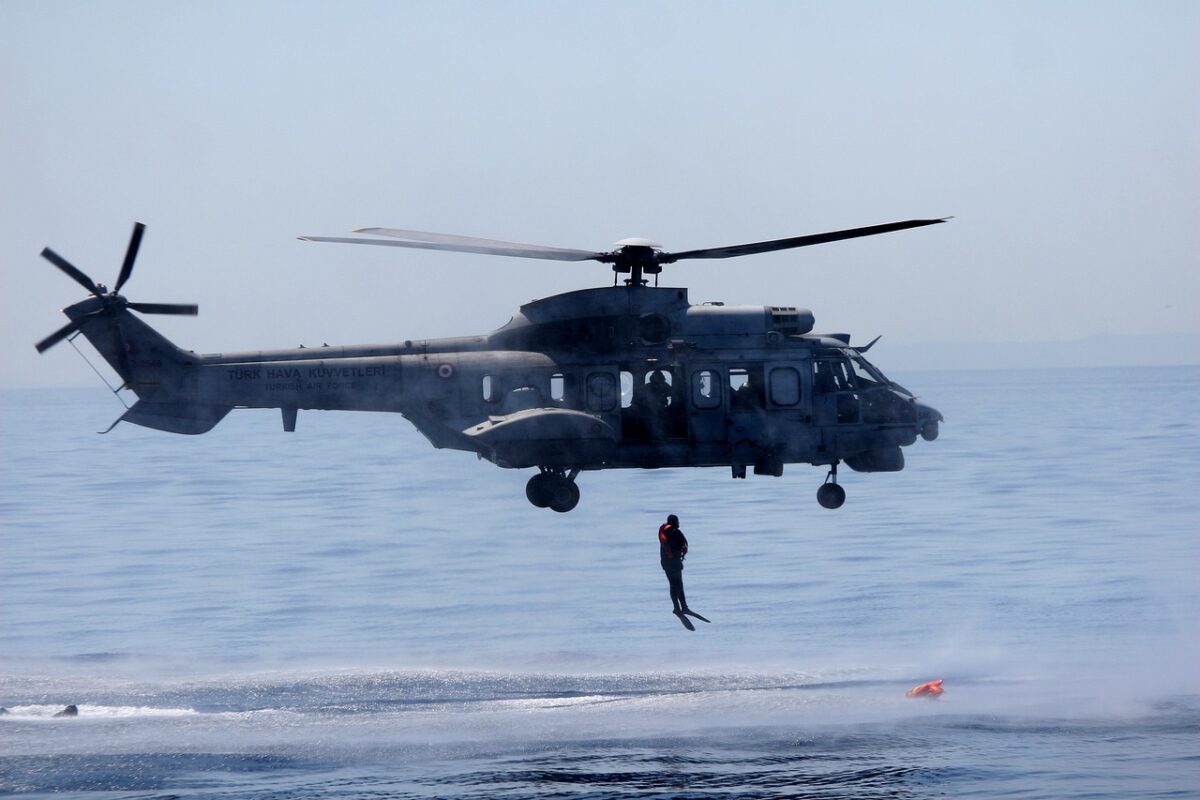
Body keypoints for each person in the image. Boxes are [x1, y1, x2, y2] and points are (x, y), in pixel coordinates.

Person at [658, 513, 690, 614]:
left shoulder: (662, 531)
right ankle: (684, 607)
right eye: (677, 521)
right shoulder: (676, 532)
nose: (679, 523)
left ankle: (676, 608)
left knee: (672, 584)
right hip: (674, 562)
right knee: (679, 584)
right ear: (674, 522)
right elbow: (684, 546)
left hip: (665, 562)